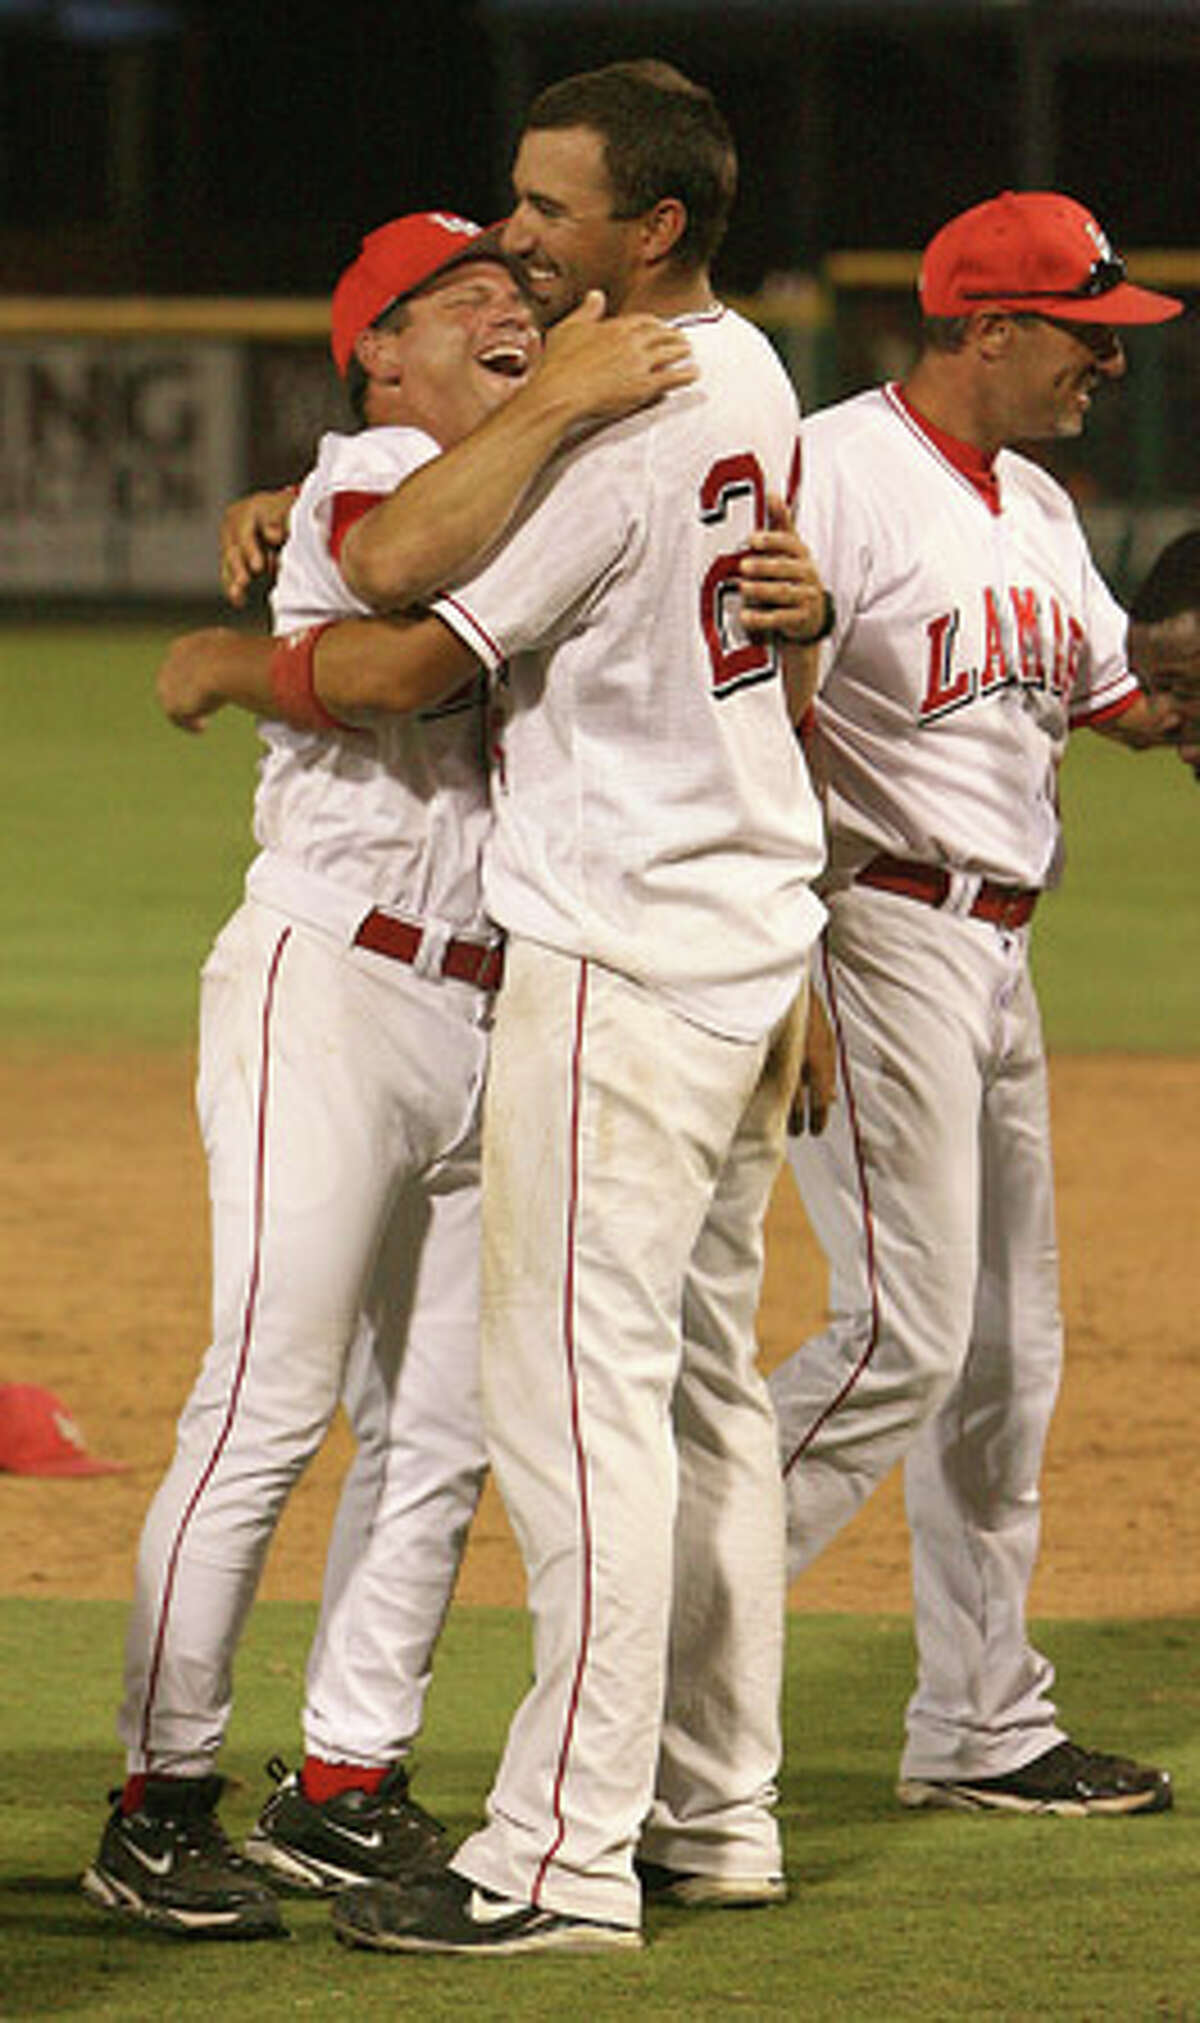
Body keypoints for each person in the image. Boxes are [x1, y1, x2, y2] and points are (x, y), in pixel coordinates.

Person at [164, 59, 830, 1955]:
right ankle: (724, 1810)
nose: (515, 241)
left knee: (573, 1418)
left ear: (656, 229)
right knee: (698, 1409)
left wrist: (520, 418)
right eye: (508, 212)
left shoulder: (611, 424)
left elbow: (389, 591)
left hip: (622, 963)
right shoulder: (756, 373)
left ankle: (560, 1860)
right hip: (741, 939)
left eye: (546, 212)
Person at [82, 209, 698, 1941]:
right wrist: (554, 397)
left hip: (501, 1002)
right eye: (462, 301)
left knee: (437, 1432)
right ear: (381, 355)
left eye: (520, 291)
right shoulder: (366, 476)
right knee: (267, 1400)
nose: (510, 308)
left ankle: (346, 1777)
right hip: (333, 980)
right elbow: (403, 595)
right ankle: (160, 1790)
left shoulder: (548, 477)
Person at [767, 190, 1185, 1818]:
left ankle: (981, 1721)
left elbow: (1118, 698)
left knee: (1007, 1352)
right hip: (868, 936)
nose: (1111, 363)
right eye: (1089, 335)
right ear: (988, 327)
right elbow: (755, 729)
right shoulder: (828, 471)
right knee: (898, 1336)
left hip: (1000, 955)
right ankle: (646, 1666)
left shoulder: (1032, 503)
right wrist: (787, 963)